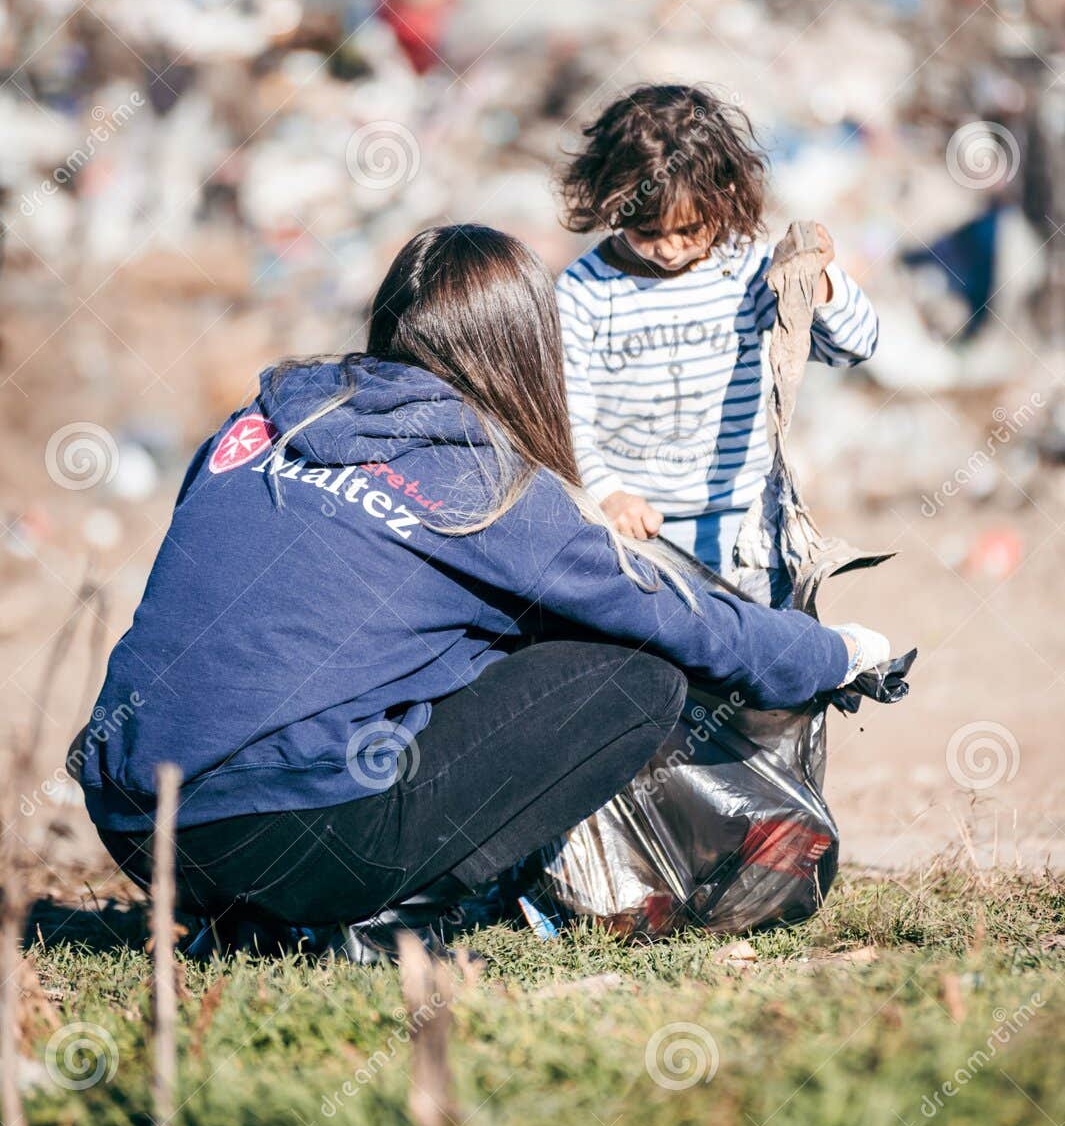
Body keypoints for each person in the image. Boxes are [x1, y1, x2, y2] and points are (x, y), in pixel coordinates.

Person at [78, 225, 888, 959]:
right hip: (292, 837)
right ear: (524, 348)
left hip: (132, 821)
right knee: (635, 680)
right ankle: (387, 921)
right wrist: (835, 652)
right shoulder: (483, 485)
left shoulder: (258, 425)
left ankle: (254, 916)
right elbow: (677, 621)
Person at [556, 84, 879, 586]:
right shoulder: (584, 291)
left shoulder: (749, 271)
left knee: (754, 655)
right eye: (647, 232)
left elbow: (853, 347)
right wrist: (606, 494)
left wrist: (818, 282)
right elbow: (565, 413)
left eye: (690, 230)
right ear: (611, 203)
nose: (668, 250)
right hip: (634, 535)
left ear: (725, 199)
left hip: (747, 531)